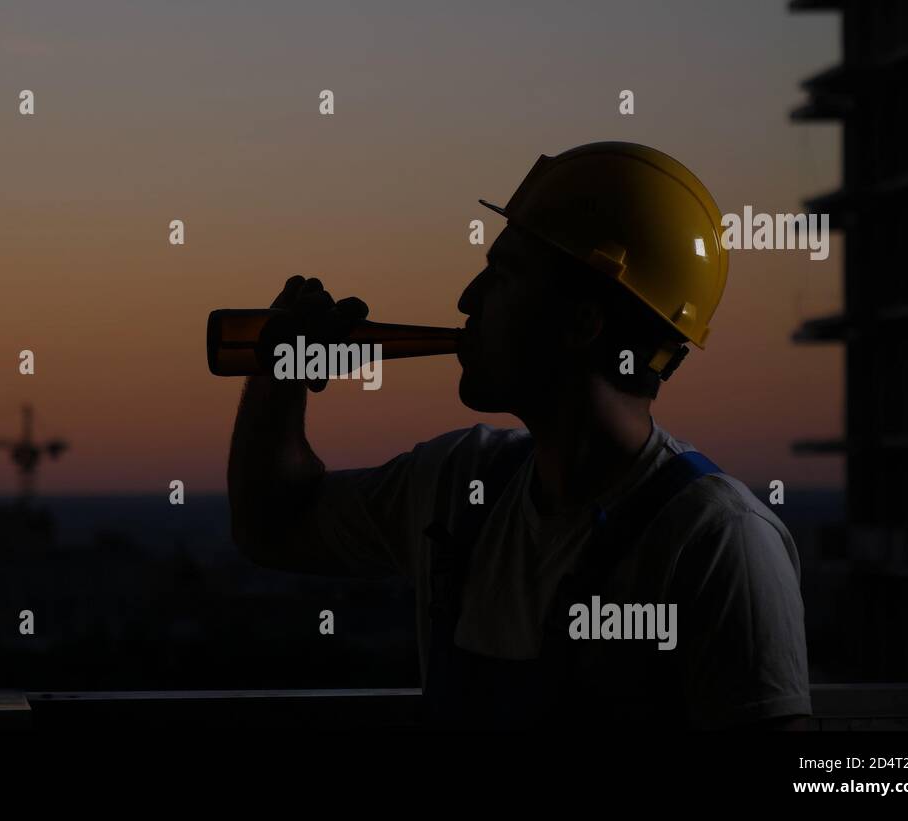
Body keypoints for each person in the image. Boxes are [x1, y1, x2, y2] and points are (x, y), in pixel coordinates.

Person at [227, 142, 811, 730]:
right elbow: (271, 525)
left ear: (581, 321)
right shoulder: (458, 483)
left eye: (501, 275)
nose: (466, 299)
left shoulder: (718, 541)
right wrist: (281, 376)